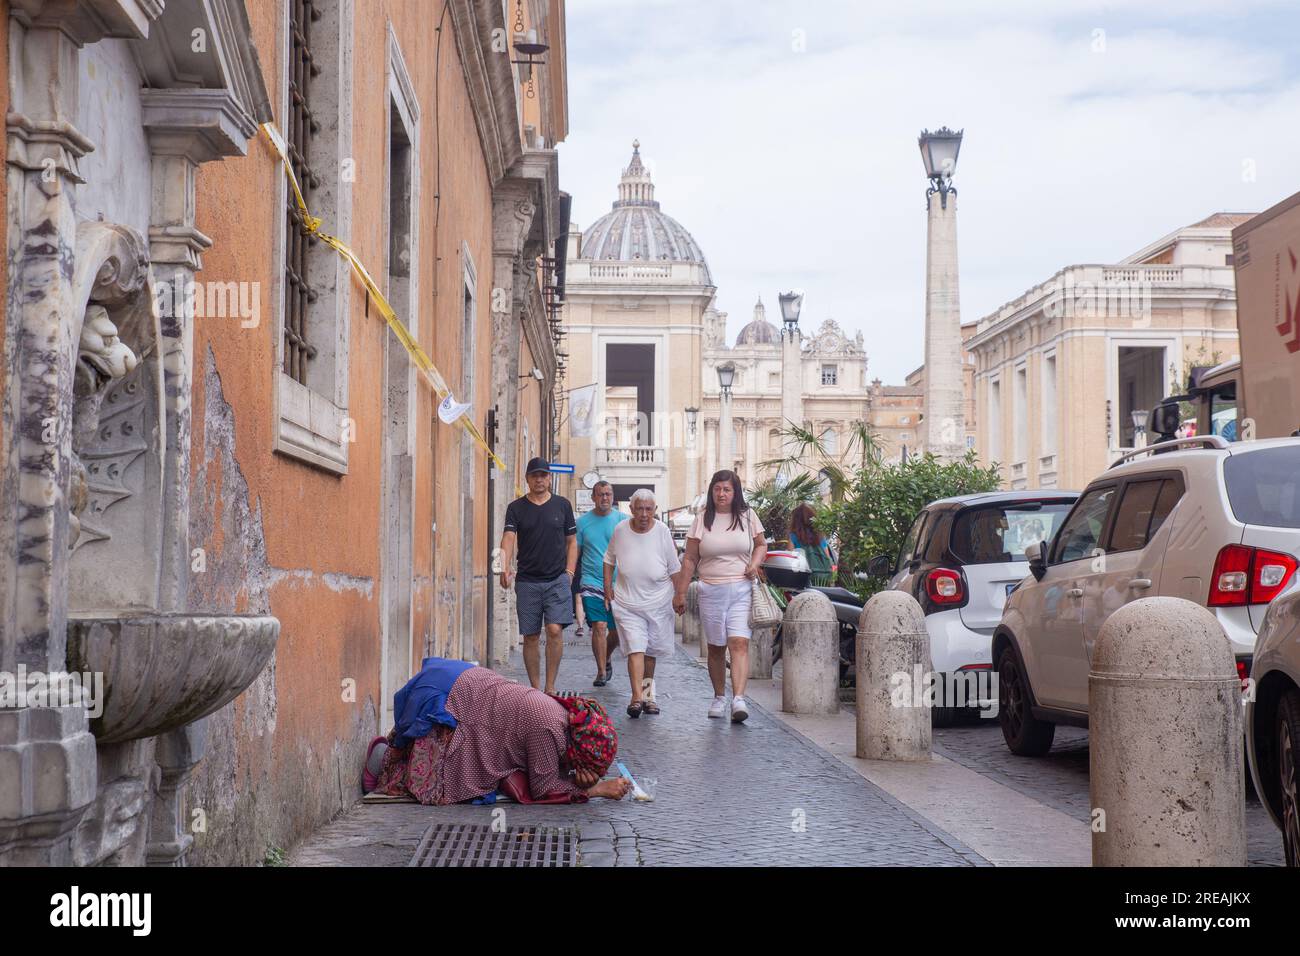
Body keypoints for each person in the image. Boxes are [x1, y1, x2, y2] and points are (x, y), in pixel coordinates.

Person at [371, 657, 631, 804]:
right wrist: (595, 789)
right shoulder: (549, 730)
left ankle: (388, 754)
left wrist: (576, 774)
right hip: (452, 700)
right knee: (429, 785)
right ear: (579, 753)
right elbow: (544, 787)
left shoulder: (563, 717)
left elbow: (545, 765)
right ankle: (378, 761)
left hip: (460, 680)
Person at [673, 470, 766, 722]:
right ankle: (719, 696)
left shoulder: (747, 516)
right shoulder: (703, 519)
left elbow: (761, 544)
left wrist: (754, 563)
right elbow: (690, 557)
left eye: (726, 489)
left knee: (739, 643)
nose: (721, 494)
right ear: (711, 491)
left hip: (741, 587)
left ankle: (738, 699)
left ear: (735, 492)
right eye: (717, 489)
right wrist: (680, 592)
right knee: (716, 647)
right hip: (710, 589)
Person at [499, 458, 577, 695]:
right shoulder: (516, 508)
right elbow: (509, 538)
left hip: (556, 579)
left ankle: (550, 686)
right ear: (527, 479)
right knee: (531, 635)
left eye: (544, 475)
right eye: (535, 475)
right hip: (527, 580)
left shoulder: (562, 505)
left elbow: (572, 542)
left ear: (549, 478)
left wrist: (570, 572)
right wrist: (503, 567)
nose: (540, 479)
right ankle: (534, 688)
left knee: (554, 629)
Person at [603, 488, 681, 718]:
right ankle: (636, 697)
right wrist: (607, 586)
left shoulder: (663, 531)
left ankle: (648, 696)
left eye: (649, 509)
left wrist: (681, 594)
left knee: (650, 652)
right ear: (631, 509)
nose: (644, 514)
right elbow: (608, 560)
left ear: (655, 510)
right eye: (640, 509)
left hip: (658, 601)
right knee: (636, 647)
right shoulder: (620, 530)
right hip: (627, 602)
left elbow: (674, 567)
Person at [575, 481, 627, 686]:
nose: (605, 498)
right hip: (591, 581)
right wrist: (568, 573)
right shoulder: (582, 523)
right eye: (600, 494)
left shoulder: (623, 521)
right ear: (593, 498)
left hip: (619, 584)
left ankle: (606, 657)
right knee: (599, 625)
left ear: (612, 496)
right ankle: (600, 672)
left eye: (608, 494)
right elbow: (575, 552)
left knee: (617, 631)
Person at [789, 502, 834, 584]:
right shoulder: (820, 536)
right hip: (822, 580)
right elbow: (827, 557)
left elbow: (790, 559)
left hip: (802, 579)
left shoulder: (793, 536)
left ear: (796, 520)